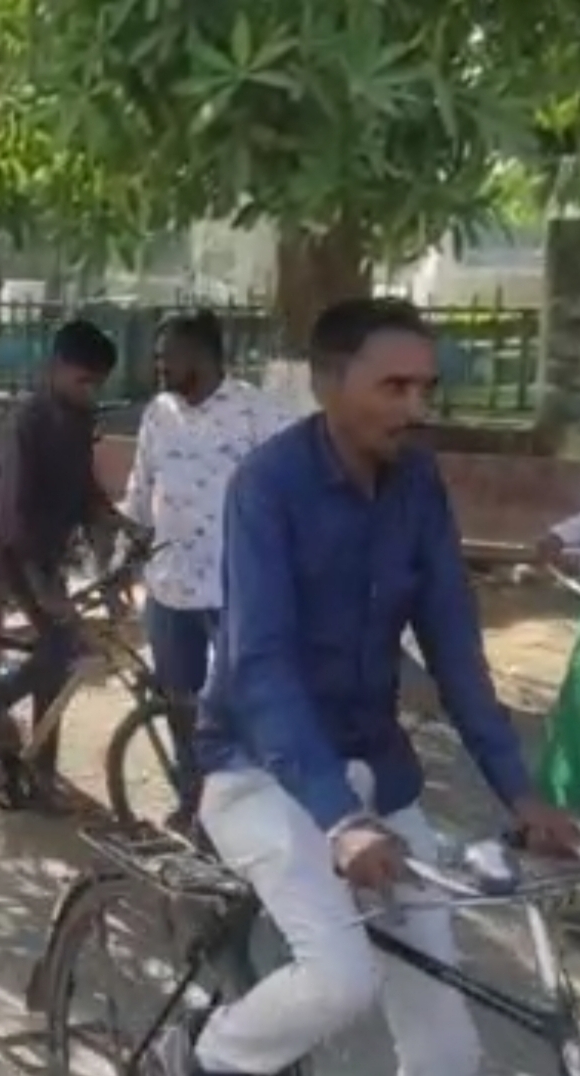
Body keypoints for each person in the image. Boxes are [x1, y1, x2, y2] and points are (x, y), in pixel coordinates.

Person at [156, 297, 579, 1076]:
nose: (418, 408)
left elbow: (456, 652)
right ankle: (201, 1057)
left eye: (426, 388)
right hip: (261, 768)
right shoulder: (268, 486)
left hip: (375, 769)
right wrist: (339, 816)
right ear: (327, 384)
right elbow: (261, 667)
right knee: (341, 979)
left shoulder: (419, 484)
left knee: (445, 1035)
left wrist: (521, 796)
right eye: (395, 387)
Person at [121, 310, 294, 818]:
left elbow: (295, 495)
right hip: (169, 590)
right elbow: (141, 489)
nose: (158, 365)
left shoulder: (258, 414)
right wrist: (123, 558)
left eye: (166, 354)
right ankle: (192, 801)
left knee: (239, 707)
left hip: (235, 593)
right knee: (177, 703)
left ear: (202, 354)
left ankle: (243, 808)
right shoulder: (158, 413)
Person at [0, 319, 137, 812]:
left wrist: (119, 523)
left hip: (48, 556)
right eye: (83, 381)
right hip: (17, 557)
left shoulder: (78, 420)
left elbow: (84, 490)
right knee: (57, 653)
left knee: (56, 665)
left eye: (97, 384)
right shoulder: (25, 423)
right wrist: (41, 589)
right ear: (56, 368)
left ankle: (40, 775)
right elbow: (14, 516)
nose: (90, 391)